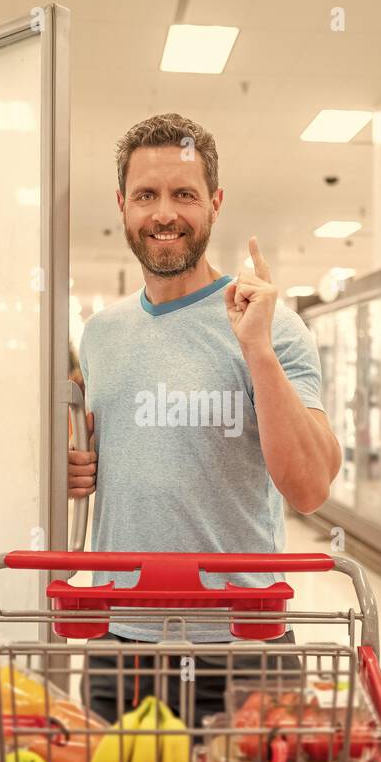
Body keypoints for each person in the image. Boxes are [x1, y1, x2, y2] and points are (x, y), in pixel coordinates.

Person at [69, 113, 341, 726]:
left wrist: (258, 351)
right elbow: (109, 455)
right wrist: (73, 466)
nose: (164, 213)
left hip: (242, 645)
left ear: (214, 203)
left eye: (184, 194)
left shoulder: (270, 326)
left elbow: (311, 486)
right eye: (146, 195)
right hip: (120, 644)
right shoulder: (101, 336)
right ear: (122, 205)